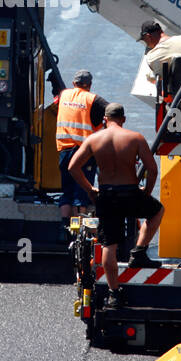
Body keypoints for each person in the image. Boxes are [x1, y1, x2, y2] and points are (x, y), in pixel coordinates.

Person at [69, 103, 163, 306]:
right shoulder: (135, 137)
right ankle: (139, 251)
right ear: (124, 119)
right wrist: (146, 193)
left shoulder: (94, 139)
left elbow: (73, 167)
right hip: (130, 193)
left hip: (106, 195)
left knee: (108, 245)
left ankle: (114, 293)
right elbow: (153, 170)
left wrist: (89, 189)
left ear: (104, 119)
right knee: (156, 211)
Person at [55, 70, 109, 236]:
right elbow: (111, 110)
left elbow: (56, 102)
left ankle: (65, 230)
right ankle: (79, 232)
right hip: (84, 154)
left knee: (67, 192)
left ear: (74, 83)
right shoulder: (93, 99)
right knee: (83, 194)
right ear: (90, 85)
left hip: (64, 150)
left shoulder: (64, 95)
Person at [136, 20, 181, 88]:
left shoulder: (152, 56)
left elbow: (157, 79)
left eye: (144, 39)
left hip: (178, 93)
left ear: (148, 36)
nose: (146, 43)